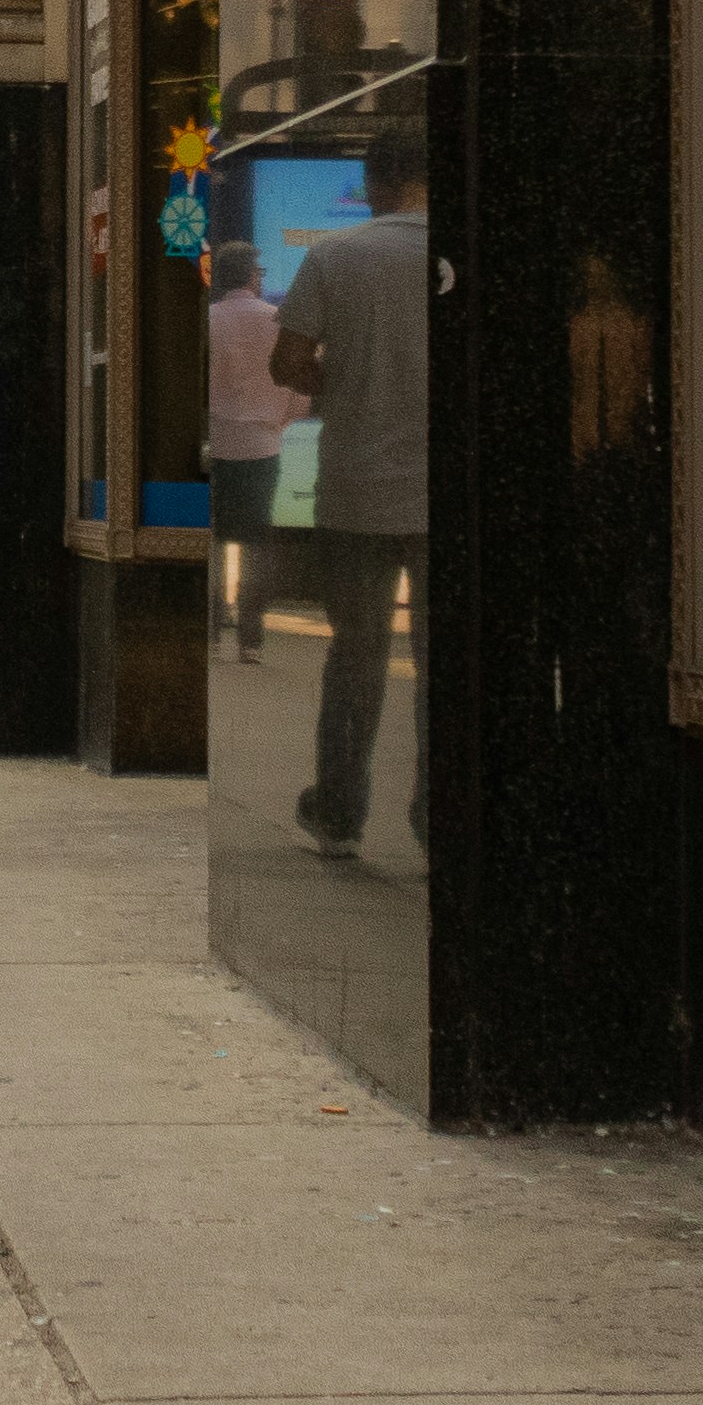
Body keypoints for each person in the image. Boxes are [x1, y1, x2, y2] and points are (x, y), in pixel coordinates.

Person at [268, 122, 433, 861]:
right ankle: (439, 818)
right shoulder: (457, 252)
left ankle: (338, 812)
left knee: (357, 656)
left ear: (372, 183)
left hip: (357, 491)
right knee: (443, 660)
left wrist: (337, 380)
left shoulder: (334, 255)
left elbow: (287, 360)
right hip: (443, 498)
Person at [202, 241, 290, 662]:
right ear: (253, 276)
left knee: (214, 539)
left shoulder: (207, 320)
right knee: (257, 542)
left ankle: (212, 632)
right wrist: (277, 421)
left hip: (216, 442)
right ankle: (251, 641)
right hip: (261, 444)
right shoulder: (277, 319)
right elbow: (297, 382)